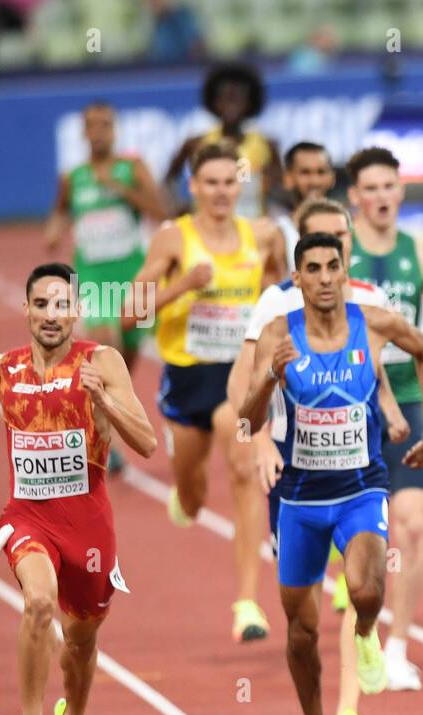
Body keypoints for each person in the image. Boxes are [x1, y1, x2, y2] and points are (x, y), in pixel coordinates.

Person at [0, 263, 157, 715]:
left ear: (76, 311)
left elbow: (147, 442)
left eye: (63, 305)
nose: (52, 316)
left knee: (80, 645)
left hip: (88, 524)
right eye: (42, 305)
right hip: (28, 516)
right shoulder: (1, 369)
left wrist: (103, 400)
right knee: (38, 602)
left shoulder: (101, 361)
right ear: (27, 310)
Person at [239, 232, 423, 715]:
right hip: (299, 499)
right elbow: (246, 418)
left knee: (368, 586)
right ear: (297, 278)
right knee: (301, 633)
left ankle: (367, 631)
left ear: (345, 272)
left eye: (334, 266)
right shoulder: (280, 334)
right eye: (313, 268)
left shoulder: (373, 322)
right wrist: (264, 378)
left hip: (361, 488)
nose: (325, 277)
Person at [126, 140, 283, 644]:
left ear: (241, 185)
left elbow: (280, 295)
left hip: (238, 375)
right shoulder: (174, 238)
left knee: (242, 469)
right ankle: (185, 496)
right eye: (210, 183)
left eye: (228, 182)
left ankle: (246, 603)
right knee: (193, 494)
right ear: (193, 187)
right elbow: (130, 313)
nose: (220, 191)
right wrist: (183, 285)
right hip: (187, 376)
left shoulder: (262, 236)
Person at [346, 146, 423, 691]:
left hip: (409, 404)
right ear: (355, 197)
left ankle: (398, 646)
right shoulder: (340, 254)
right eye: (371, 188)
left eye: (390, 186)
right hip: (349, 406)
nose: (382, 197)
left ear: (401, 191)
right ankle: (361, 628)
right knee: (361, 537)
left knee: (411, 525)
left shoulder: (421, 253)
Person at [44, 102, 165, 474]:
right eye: (92, 126)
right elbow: (62, 210)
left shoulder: (133, 167)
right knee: (103, 348)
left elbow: (160, 210)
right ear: (83, 133)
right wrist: (55, 229)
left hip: (135, 273)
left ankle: (106, 415)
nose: (99, 132)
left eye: (105, 125)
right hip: (92, 274)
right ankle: (103, 440)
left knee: (126, 361)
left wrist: (123, 190)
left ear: (114, 130)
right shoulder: (73, 176)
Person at [164, 61, 280, 219]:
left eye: (238, 99)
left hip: (252, 228)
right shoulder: (196, 144)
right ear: (214, 103)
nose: (231, 106)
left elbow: (280, 187)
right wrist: (178, 206)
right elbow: (169, 179)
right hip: (206, 231)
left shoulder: (266, 146)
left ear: (249, 103)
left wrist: (270, 190)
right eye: (225, 99)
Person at [271, 142, 334, 270]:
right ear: (288, 178)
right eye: (305, 173)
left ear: (331, 177)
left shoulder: (349, 228)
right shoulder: (277, 233)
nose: (314, 181)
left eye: (321, 172)